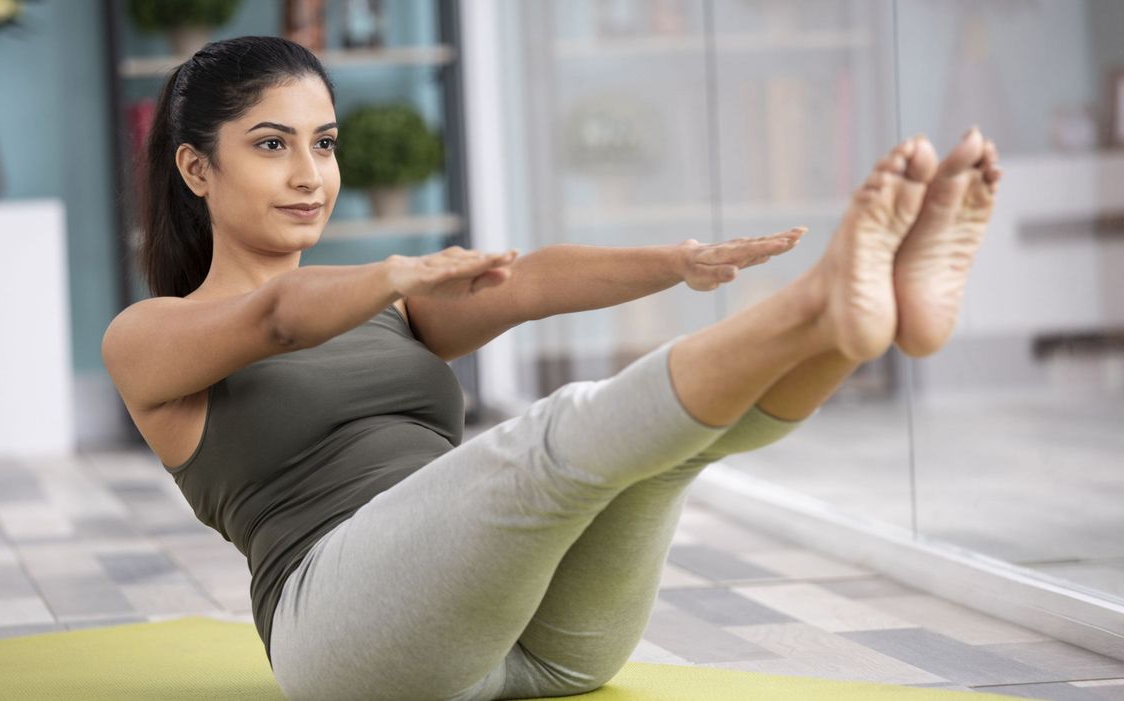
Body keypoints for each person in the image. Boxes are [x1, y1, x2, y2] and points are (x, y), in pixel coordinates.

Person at [101, 35, 1002, 701]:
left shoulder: (389, 302)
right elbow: (276, 317)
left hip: (545, 646)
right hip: (346, 640)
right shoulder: (151, 336)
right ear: (195, 168)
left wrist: (679, 261)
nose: (310, 174)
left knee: (664, 456)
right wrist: (396, 272)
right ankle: (823, 300)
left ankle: (854, 324)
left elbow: (525, 280)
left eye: (324, 143)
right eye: (272, 144)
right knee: (556, 431)